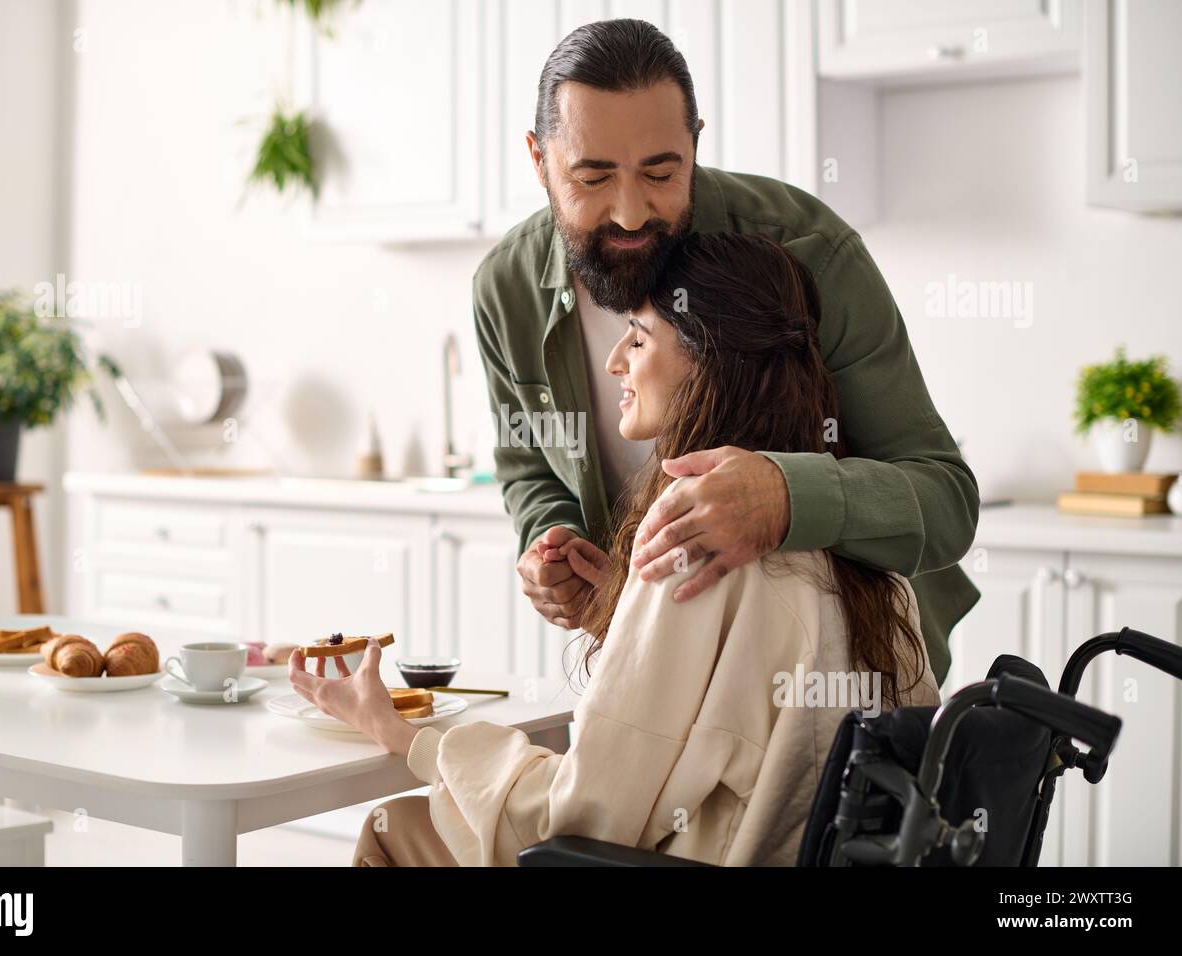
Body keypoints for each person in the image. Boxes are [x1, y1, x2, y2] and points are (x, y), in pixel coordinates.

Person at [290, 233, 942, 867]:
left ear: (710, 358)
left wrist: (401, 732)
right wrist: (622, 609)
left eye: (639, 334)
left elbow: (575, 817)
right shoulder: (865, 562)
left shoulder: (689, 547)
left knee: (393, 824)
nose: (615, 361)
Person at [476, 19, 979, 685]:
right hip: (661, 682)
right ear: (540, 162)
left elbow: (945, 502)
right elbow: (528, 467)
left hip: (857, 700)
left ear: (695, 145)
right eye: (593, 178)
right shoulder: (506, 289)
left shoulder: (805, 250)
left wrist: (785, 497)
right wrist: (554, 548)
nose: (630, 212)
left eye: (661, 171)